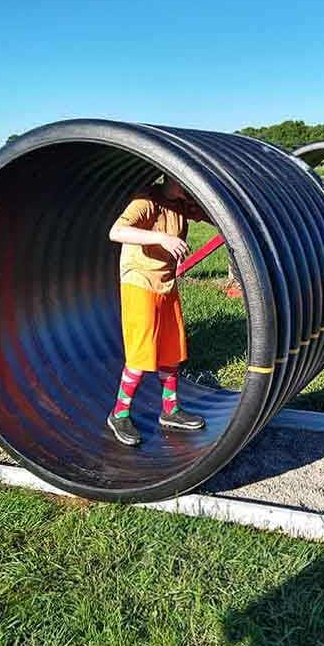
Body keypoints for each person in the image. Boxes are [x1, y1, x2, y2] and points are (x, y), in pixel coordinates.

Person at [107, 174, 207, 446]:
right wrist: (161, 238)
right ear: (169, 178)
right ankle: (119, 413)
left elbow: (217, 217)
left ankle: (170, 410)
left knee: (171, 350)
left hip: (165, 283)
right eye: (182, 182)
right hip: (139, 280)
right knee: (140, 355)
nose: (186, 188)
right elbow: (116, 231)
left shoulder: (182, 202)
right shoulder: (147, 201)